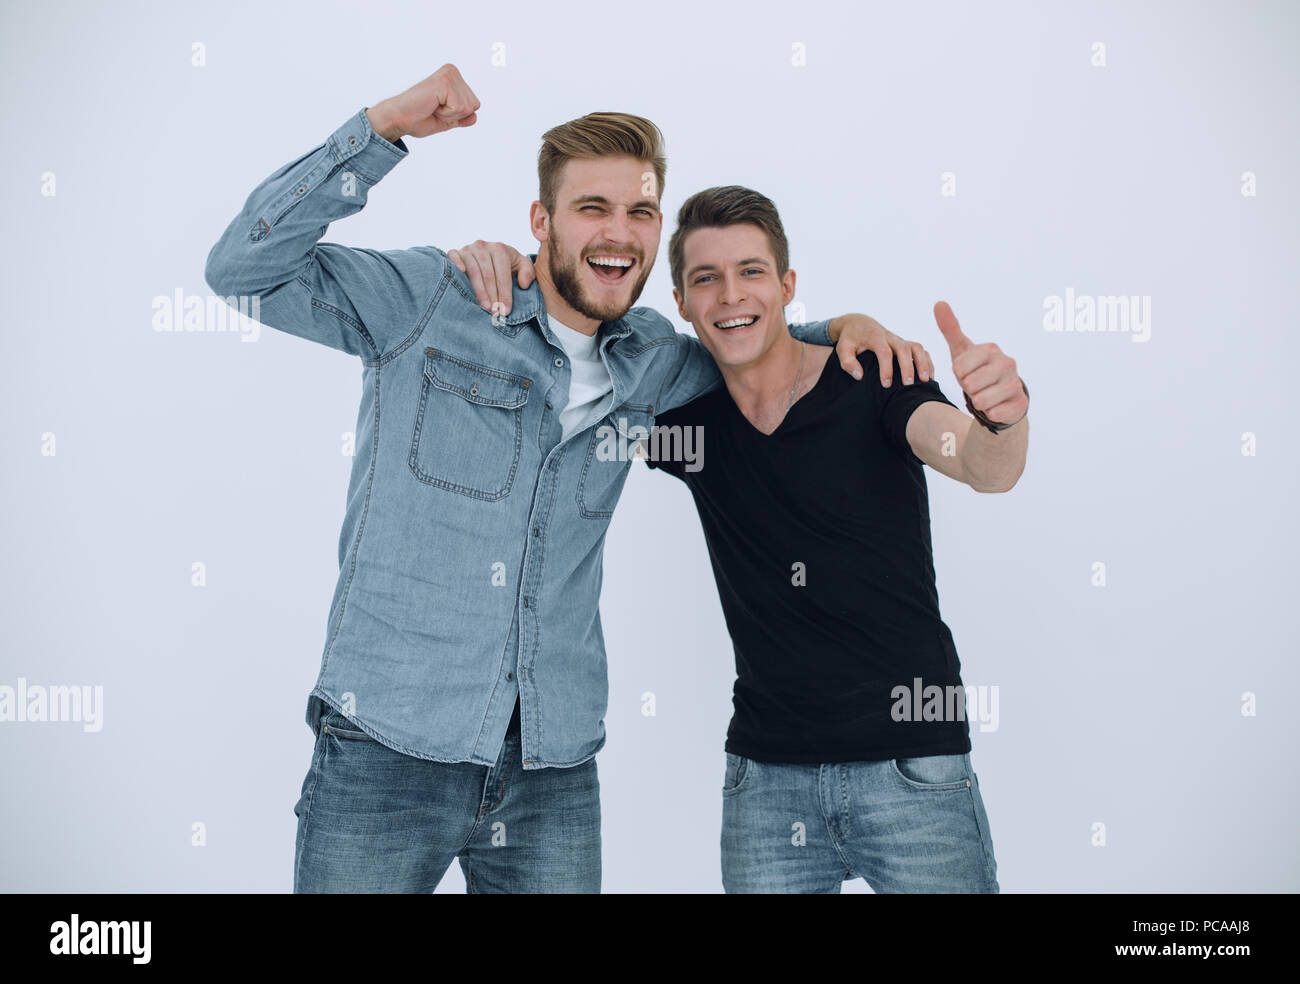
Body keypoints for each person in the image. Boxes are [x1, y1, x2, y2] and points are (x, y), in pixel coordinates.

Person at [203, 64, 928, 893]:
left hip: (551, 769)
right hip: (384, 750)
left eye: (640, 212)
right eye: (592, 209)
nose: (618, 233)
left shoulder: (659, 361)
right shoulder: (433, 301)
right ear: (542, 221)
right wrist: (384, 127)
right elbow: (243, 272)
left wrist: (844, 326)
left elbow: (755, 344)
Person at [458, 184, 1028, 893]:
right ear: (684, 303)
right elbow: (580, 361)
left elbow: (978, 462)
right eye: (707, 279)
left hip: (914, 772)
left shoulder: (872, 378)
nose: (732, 295)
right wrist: (510, 267)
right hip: (765, 789)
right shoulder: (689, 427)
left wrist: (1001, 418)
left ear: (787, 286)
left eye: (752, 272)